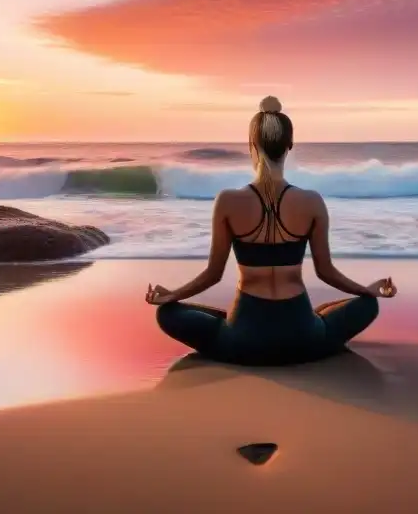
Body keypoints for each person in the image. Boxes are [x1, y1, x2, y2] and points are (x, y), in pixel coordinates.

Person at [146, 96, 397, 366]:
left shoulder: (228, 201)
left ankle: (230, 324)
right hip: (303, 338)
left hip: (243, 342)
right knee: (368, 305)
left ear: (251, 145)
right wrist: (366, 290)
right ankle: (315, 321)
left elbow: (213, 275)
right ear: (290, 145)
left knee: (167, 314)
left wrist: (173, 295)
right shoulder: (312, 201)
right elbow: (326, 272)